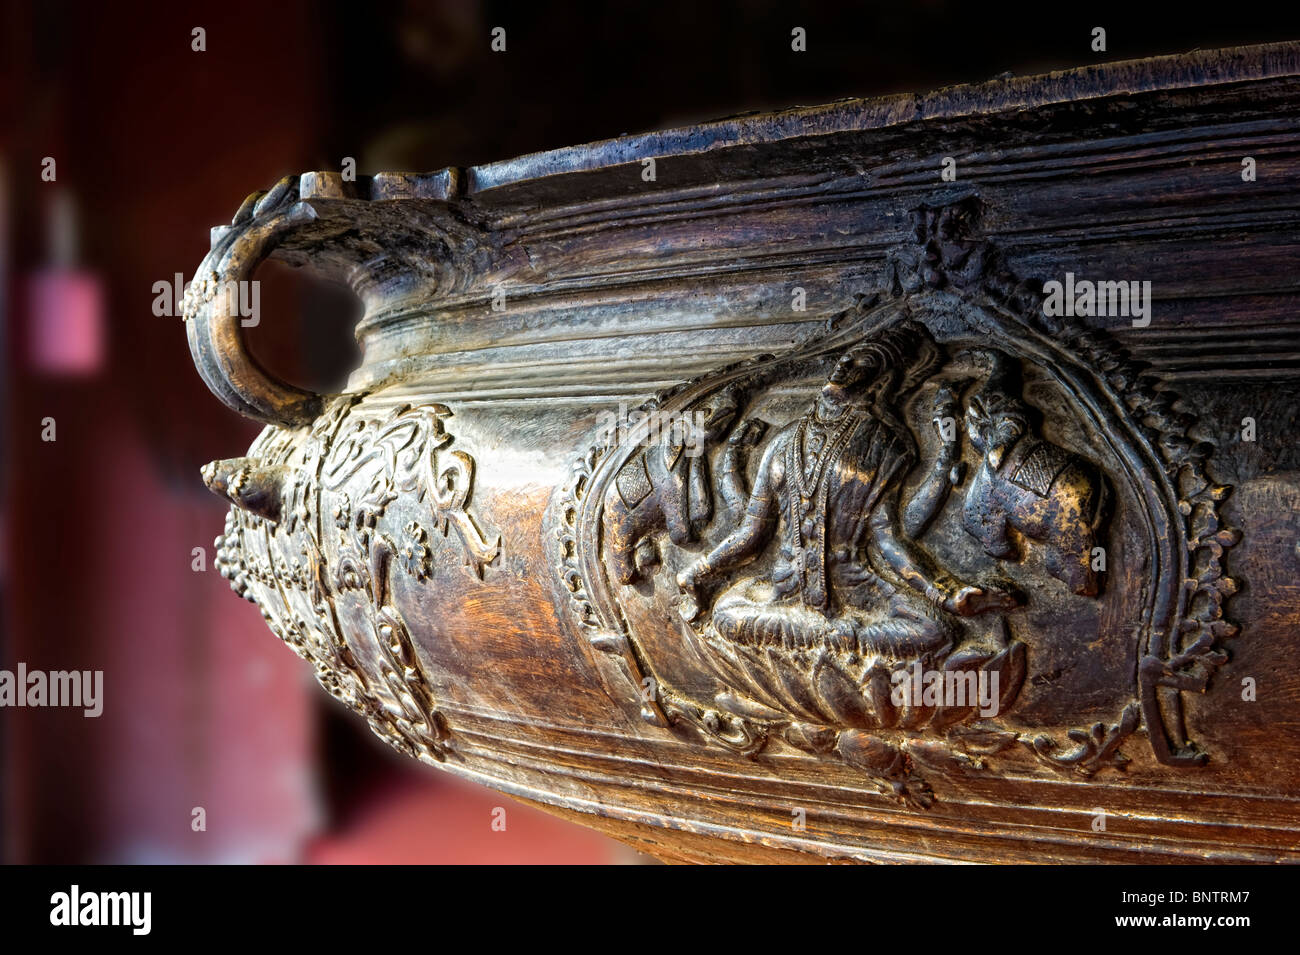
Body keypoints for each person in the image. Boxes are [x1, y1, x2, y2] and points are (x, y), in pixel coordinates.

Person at [676, 321, 1020, 658]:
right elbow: (752, 532)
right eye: (846, 358)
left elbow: (888, 538)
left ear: (880, 381)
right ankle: (839, 642)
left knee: (935, 629)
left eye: (862, 362)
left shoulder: (886, 444)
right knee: (727, 612)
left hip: (859, 592)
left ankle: (827, 643)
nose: (844, 365)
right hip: (782, 592)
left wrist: (945, 595)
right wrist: (699, 570)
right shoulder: (783, 441)